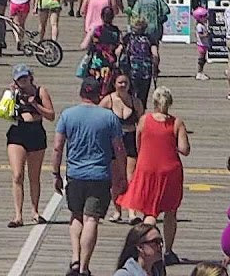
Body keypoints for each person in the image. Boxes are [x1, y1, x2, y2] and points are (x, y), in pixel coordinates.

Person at [53, 77, 127, 276]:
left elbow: (58, 147)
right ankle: (85, 267)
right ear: (98, 94)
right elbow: (119, 149)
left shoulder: (68, 115)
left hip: (75, 175)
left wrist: (56, 174)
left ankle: (75, 259)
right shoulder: (109, 117)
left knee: (76, 216)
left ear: (81, 94)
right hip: (100, 175)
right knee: (92, 219)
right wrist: (122, 175)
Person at [113, 86, 189, 265]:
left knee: (150, 211)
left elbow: (138, 145)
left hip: (147, 168)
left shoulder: (144, 120)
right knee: (170, 211)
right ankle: (168, 252)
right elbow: (185, 150)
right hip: (169, 170)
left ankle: (146, 247)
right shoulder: (176, 123)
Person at [6, 63, 55, 228]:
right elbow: (3, 112)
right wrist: (11, 96)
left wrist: (35, 104)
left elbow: (51, 115)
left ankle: (35, 211)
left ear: (30, 77)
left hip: (36, 131)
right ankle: (18, 215)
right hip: (17, 132)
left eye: (25, 77)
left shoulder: (41, 91)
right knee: (17, 175)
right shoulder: (13, 93)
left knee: (34, 176)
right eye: (20, 79)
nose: (23, 81)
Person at [100, 72, 145, 224]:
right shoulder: (108, 101)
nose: (123, 85)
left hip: (130, 140)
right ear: (114, 84)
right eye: (120, 82)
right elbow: (98, 121)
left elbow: (141, 125)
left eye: (125, 82)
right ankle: (117, 210)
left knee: (130, 177)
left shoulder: (136, 102)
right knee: (116, 179)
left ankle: (131, 211)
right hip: (113, 141)